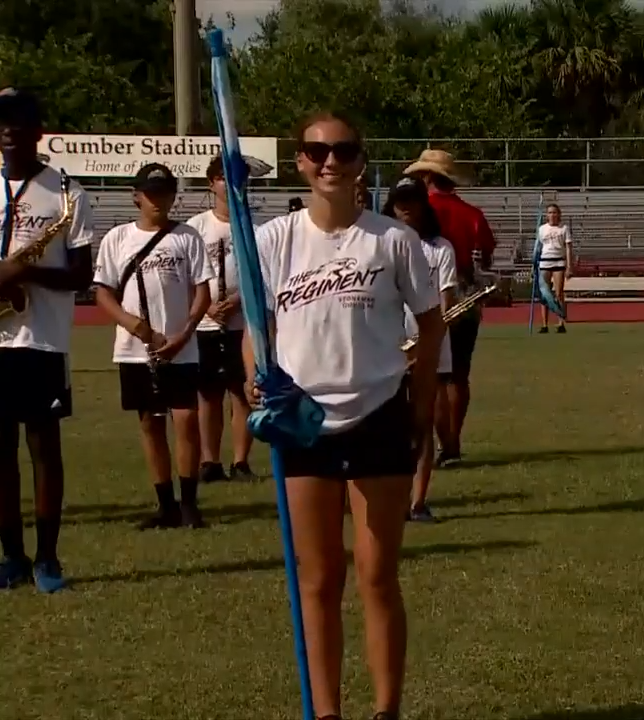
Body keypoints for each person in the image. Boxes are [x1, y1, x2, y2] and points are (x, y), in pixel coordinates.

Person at [246, 112, 443, 720]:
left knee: (378, 575)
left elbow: (432, 324)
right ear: (300, 160)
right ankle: (326, 712)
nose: (330, 161)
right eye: (316, 151)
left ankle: (387, 710)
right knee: (319, 580)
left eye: (344, 150)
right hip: (303, 423)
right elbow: (256, 327)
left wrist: (422, 406)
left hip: (380, 412)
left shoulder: (393, 240)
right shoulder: (274, 240)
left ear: (361, 160)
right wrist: (258, 381)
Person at [0, 88, 95, 592]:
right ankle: (11, 557)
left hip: (41, 340)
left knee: (43, 448)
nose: (9, 130)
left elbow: (82, 274)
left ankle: (47, 559)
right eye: (2, 122)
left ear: (39, 130)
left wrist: (24, 275)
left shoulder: (67, 192)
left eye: (20, 122)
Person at [93, 163, 212, 530]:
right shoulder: (118, 238)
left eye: (165, 193)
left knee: (186, 420)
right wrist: (135, 326)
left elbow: (202, 291)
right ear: (136, 196)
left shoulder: (187, 236)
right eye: (151, 193)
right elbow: (103, 292)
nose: (158, 201)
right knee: (150, 424)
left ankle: (189, 502)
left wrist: (185, 332)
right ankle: (166, 504)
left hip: (180, 346)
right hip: (135, 349)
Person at [404, 149, 495, 466]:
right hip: (464, 295)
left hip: (419, 296)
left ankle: (421, 442)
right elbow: (485, 255)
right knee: (457, 375)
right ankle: (451, 443)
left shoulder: (415, 212)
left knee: (422, 372)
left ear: (426, 177)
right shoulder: (471, 213)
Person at [382, 175, 457, 524]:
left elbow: (444, 306)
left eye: (412, 201)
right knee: (390, 425)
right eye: (400, 201)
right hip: (386, 350)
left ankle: (418, 501)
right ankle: (392, 497)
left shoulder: (440, 249)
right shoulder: (378, 244)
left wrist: (424, 347)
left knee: (422, 423)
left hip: (430, 348)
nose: (406, 208)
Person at [186, 156, 256, 484]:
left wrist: (239, 300)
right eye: (223, 180)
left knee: (242, 393)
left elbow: (260, 275)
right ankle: (209, 460)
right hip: (206, 322)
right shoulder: (196, 227)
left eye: (238, 181)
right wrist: (205, 307)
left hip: (242, 323)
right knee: (208, 394)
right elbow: (185, 276)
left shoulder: (252, 228)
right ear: (211, 183)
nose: (230, 188)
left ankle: (240, 461)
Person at [536, 203, 573, 333]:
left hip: (558, 262)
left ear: (559, 214)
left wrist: (569, 266)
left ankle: (560, 322)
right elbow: (539, 247)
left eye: (554, 212)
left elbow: (568, 248)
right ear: (547, 215)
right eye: (550, 212)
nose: (552, 215)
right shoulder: (542, 229)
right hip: (544, 262)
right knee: (545, 294)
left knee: (558, 293)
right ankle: (544, 324)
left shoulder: (564, 228)